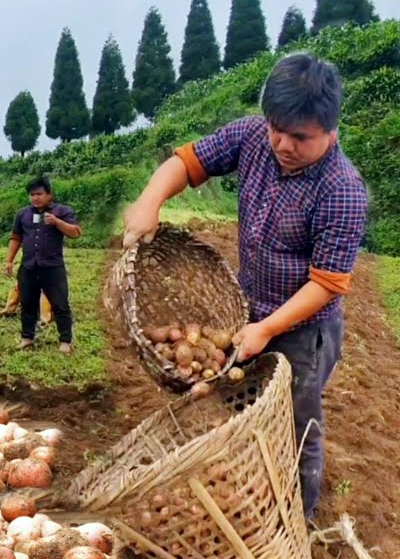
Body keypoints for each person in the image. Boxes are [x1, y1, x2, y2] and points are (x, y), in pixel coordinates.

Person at [122, 53, 367, 519]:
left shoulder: (342, 190)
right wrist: (150, 199)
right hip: (246, 304)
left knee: (298, 424)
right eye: (277, 127)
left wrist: (268, 328)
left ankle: (297, 521)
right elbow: (188, 161)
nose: (283, 143)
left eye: (300, 137)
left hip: (303, 328)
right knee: (240, 402)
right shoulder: (254, 136)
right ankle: (249, 485)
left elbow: (327, 283)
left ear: (330, 131)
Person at [5, 176, 81, 354]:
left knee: (60, 304)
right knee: (28, 304)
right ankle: (27, 338)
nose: (35, 198)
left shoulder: (62, 211)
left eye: (39, 194)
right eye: (32, 194)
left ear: (49, 195)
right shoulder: (23, 214)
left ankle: (65, 341)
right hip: (29, 266)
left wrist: (57, 222)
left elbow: (76, 232)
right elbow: (16, 238)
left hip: (52, 267)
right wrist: (9, 260)